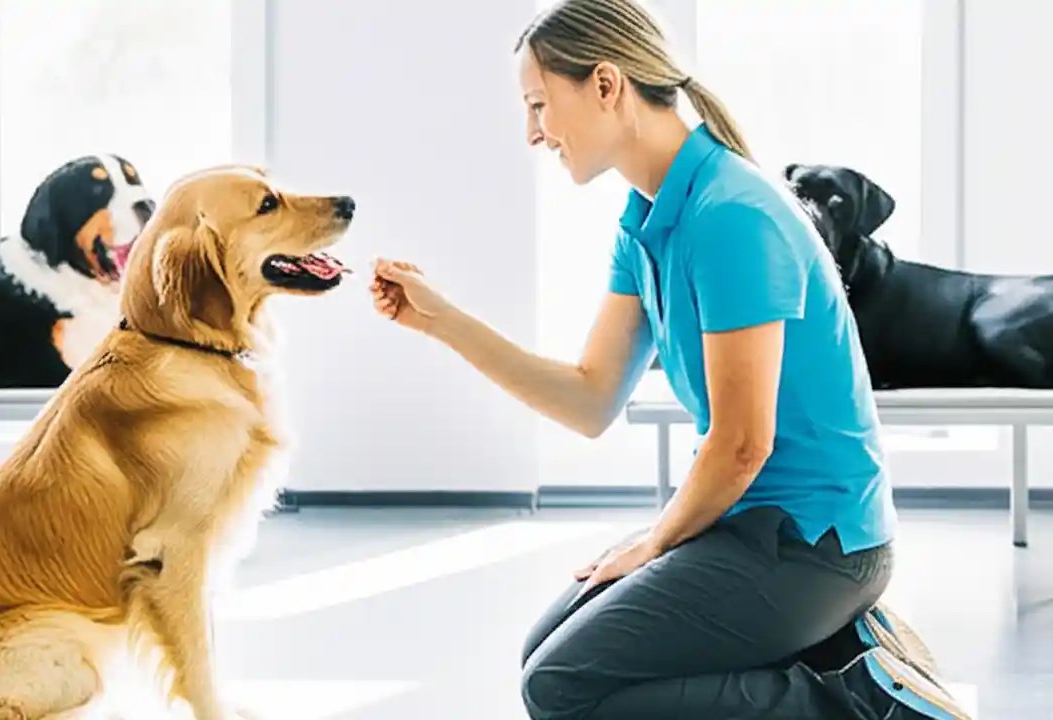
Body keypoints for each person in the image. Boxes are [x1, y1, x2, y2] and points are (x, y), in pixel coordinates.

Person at [369, 1, 972, 718]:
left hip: (820, 548)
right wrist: (441, 320)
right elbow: (590, 400)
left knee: (561, 686)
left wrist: (656, 541)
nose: (534, 133)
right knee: (543, 656)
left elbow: (745, 443)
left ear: (605, 85)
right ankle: (816, 653)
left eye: (538, 105)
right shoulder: (647, 219)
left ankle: (855, 701)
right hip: (751, 525)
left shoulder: (732, 215)